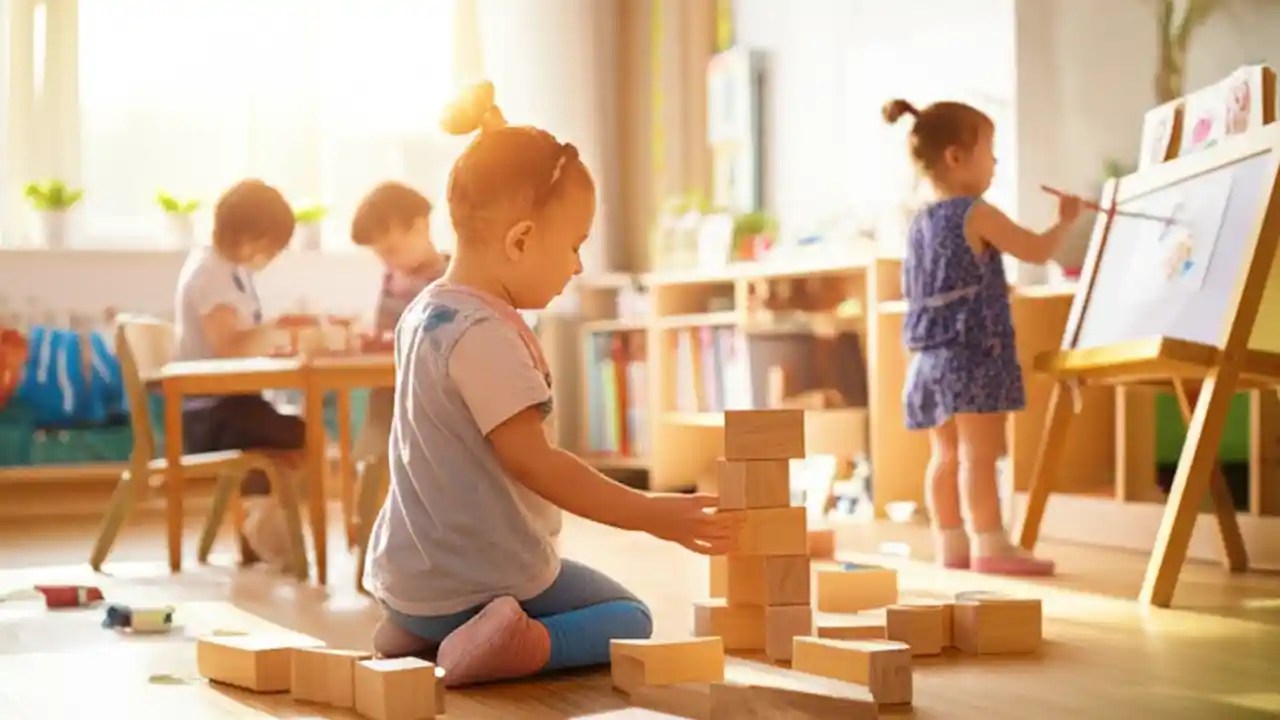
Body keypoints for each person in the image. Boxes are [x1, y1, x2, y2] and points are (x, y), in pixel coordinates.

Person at [364, 81, 736, 687]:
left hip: (407, 585)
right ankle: (516, 643)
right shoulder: (486, 335)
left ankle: (418, 637)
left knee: (552, 591)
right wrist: (648, 512)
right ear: (519, 240)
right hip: (479, 583)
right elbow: (536, 463)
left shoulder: (426, 313)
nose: (578, 265)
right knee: (629, 617)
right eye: (575, 244)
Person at [883, 98, 1082, 576]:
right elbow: (1034, 249)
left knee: (946, 455)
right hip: (972, 354)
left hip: (928, 359)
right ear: (956, 157)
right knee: (980, 454)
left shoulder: (919, 224)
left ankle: (950, 544)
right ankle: (990, 543)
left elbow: (946, 283)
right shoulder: (977, 212)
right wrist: (1066, 219)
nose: (995, 162)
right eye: (989, 151)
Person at [174, 179, 302, 569]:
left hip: (226, 405)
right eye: (272, 244)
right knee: (303, 436)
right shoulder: (212, 274)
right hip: (211, 413)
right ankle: (265, 527)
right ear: (251, 236)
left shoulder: (230, 270)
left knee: (280, 434)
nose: (272, 254)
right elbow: (228, 346)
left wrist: (280, 329)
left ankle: (260, 526)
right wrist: (279, 329)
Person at [349, 181, 449, 462]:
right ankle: (373, 472)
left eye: (391, 251)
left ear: (420, 227)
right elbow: (386, 337)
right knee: (382, 406)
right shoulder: (393, 282)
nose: (388, 263)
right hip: (393, 398)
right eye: (381, 256)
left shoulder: (452, 280)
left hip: (440, 404)